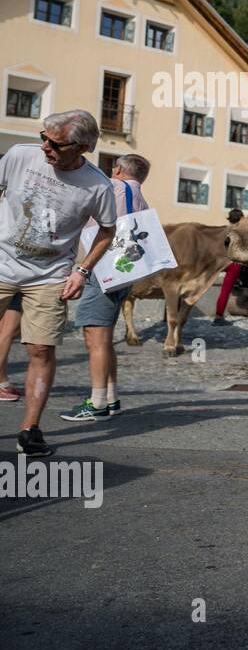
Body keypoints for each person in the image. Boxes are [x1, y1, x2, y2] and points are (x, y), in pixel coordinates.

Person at [0, 110, 116, 456]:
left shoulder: (98, 185)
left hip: (50, 275)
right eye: (44, 137)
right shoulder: (20, 155)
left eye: (55, 143)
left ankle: (30, 431)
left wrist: (82, 270)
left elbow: (107, 230)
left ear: (81, 147)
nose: (45, 147)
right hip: (1, 262)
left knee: (40, 349)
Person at [60, 154, 151, 422]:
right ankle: (111, 398)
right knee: (106, 336)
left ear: (118, 169)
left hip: (103, 270)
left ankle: (97, 402)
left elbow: (103, 227)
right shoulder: (140, 196)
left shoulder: (113, 187)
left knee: (95, 336)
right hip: (124, 274)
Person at [211, 208, 244, 326]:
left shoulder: (223, 230)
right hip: (232, 263)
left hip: (218, 261)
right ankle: (218, 316)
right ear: (240, 218)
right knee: (225, 290)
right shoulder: (239, 232)